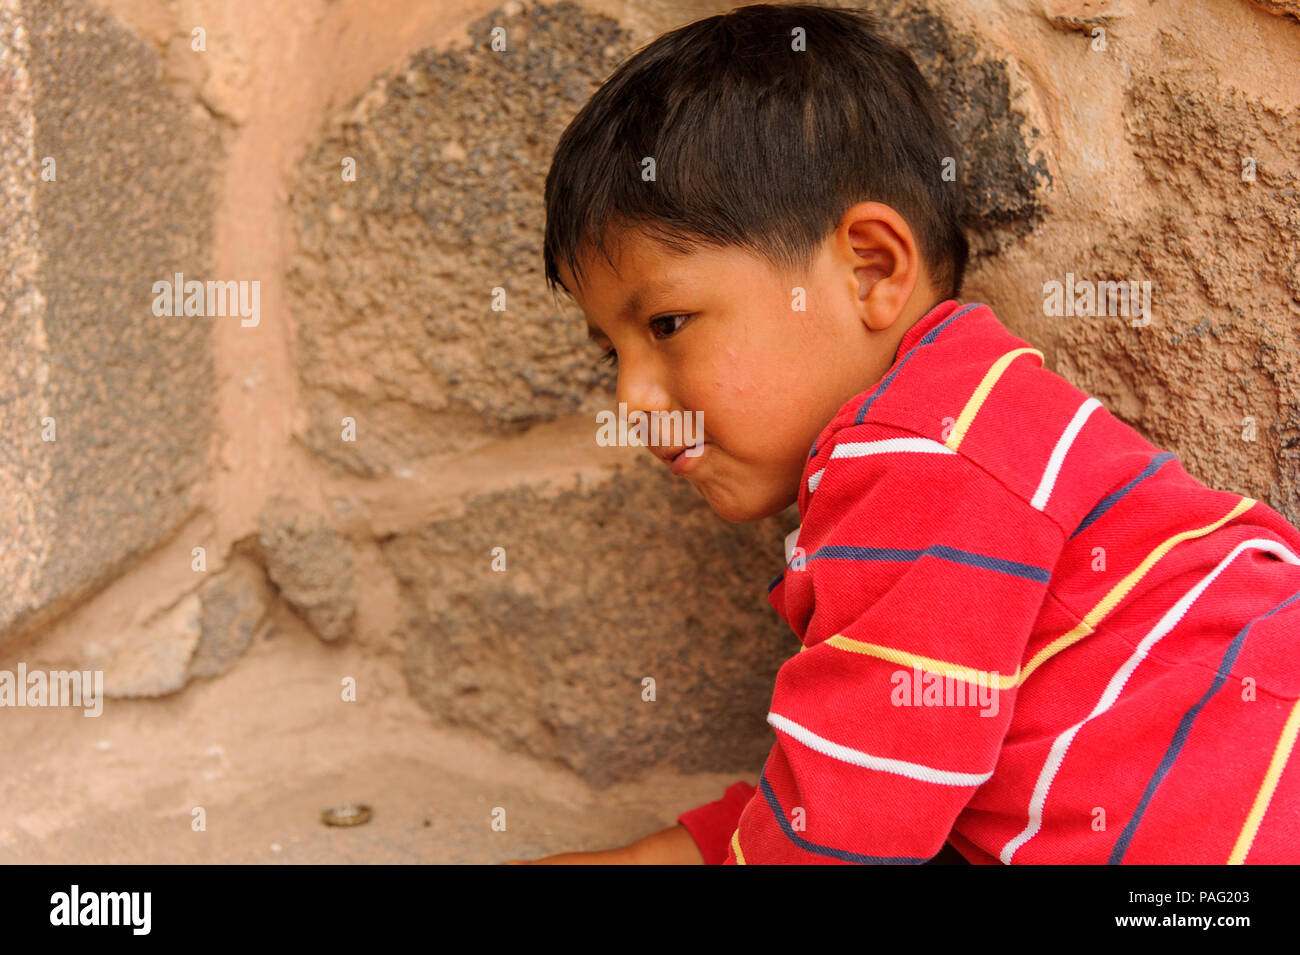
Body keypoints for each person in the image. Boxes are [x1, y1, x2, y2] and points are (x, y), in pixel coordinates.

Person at [510, 2, 1300, 864]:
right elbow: (868, 777)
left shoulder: (920, 452)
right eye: (610, 352)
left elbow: (847, 838)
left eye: (664, 324)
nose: (632, 399)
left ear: (872, 269)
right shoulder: (960, 426)